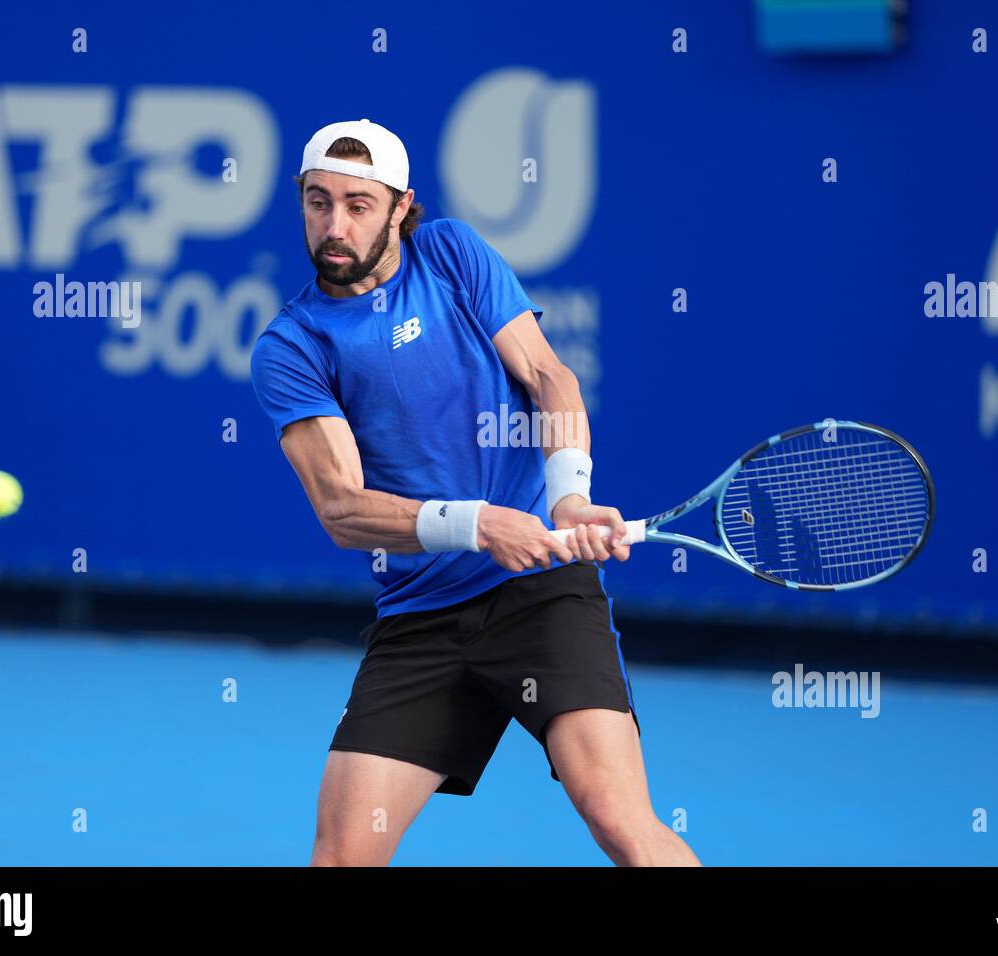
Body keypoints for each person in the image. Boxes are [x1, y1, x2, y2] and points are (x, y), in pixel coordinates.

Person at [251, 119, 699, 866]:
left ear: (401, 208)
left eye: (360, 205)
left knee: (618, 816)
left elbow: (547, 375)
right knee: (341, 857)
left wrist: (568, 495)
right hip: (421, 620)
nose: (335, 225)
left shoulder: (452, 253)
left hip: (544, 595)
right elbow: (341, 508)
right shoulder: (292, 345)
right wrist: (480, 524)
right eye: (318, 202)